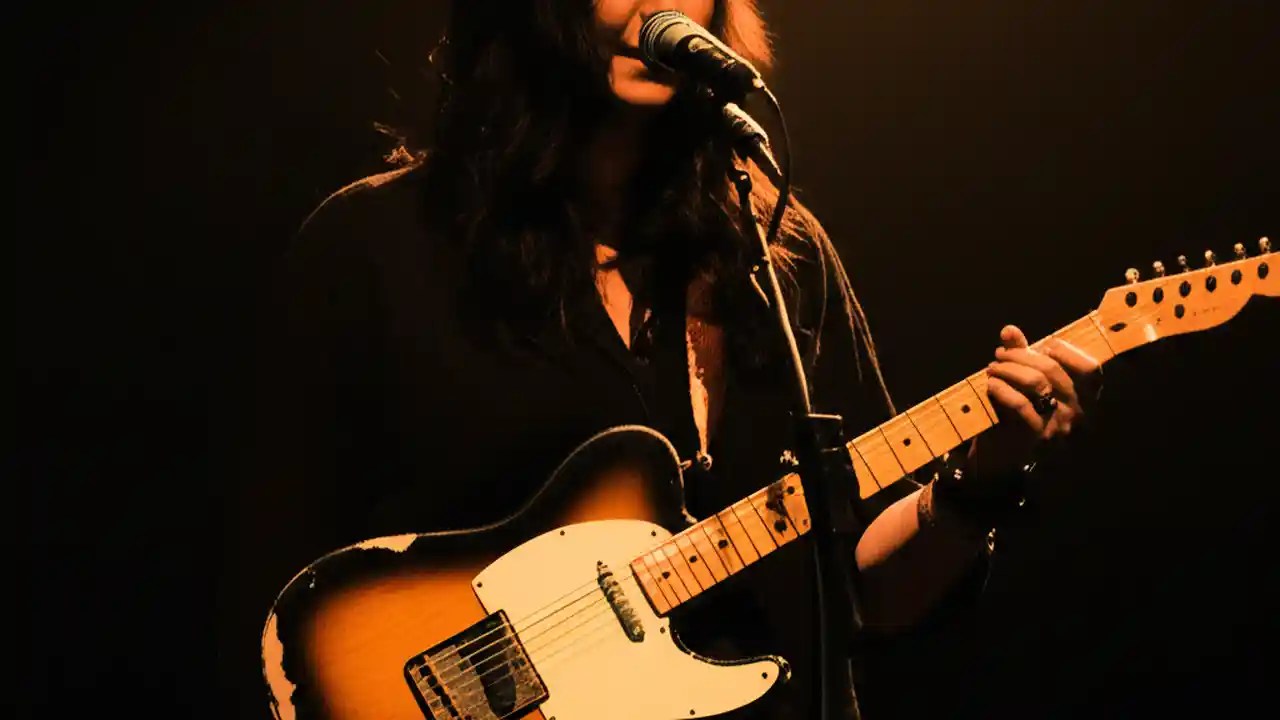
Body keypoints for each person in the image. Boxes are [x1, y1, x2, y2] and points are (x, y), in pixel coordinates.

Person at [220, 1, 1101, 717]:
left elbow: (861, 596)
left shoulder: (775, 254)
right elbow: (264, 565)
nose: (661, 5)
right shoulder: (378, 246)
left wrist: (985, 477)